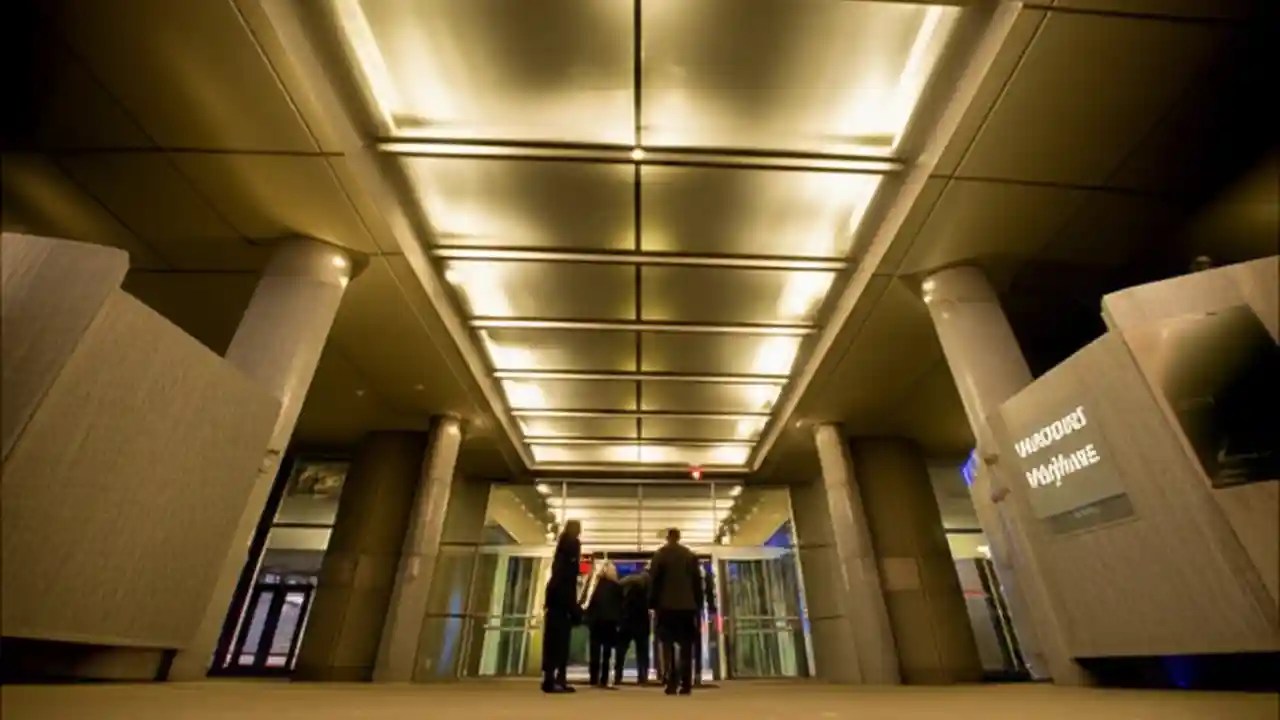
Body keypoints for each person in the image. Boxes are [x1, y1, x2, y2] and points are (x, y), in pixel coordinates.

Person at [649, 528, 703, 696]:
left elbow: (654, 581)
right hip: (687, 607)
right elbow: (696, 582)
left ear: (667, 538)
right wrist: (698, 604)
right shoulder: (689, 555)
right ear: (679, 537)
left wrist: (652, 603)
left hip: (666, 607)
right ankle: (686, 683)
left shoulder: (660, 555)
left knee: (668, 646)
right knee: (686, 646)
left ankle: (671, 682)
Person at [541, 519, 581, 694]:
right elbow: (569, 580)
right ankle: (559, 678)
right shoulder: (572, 548)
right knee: (561, 643)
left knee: (551, 643)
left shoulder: (559, 555)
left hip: (554, 604)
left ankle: (550, 678)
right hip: (563, 605)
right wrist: (574, 608)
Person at [586, 561, 623, 688]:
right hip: (610, 621)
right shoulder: (617, 587)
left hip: (596, 621)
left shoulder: (596, 585)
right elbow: (620, 606)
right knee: (607, 651)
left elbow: (591, 602)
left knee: (595, 649)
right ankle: (604, 679)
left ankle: (593, 677)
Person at [616, 564, 652, 685]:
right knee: (642, 650)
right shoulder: (647, 588)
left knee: (621, 649)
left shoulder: (627, 585)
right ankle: (642, 676)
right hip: (641, 622)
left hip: (627, 620)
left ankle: (618, 675)